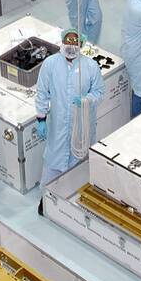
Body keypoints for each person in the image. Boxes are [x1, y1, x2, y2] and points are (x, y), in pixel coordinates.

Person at [34, 30, 103, 215]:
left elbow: (98, 92)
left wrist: (87, 99)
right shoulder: (50, 64)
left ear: (82, 45)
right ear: (62, 42)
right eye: (68, 41)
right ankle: (45, 199)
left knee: (77, 165)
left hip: (81, 126)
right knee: (52, 164)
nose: (72, 45)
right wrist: (41, 118)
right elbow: (42, 92)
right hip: (58, 126)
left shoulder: (90, 66)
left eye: (76, 42)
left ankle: (73, 203)